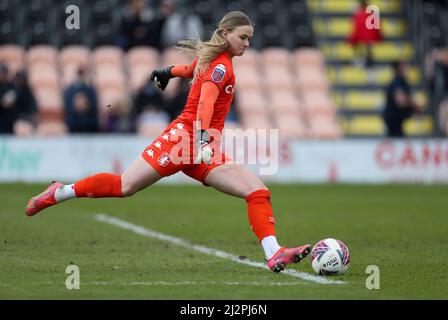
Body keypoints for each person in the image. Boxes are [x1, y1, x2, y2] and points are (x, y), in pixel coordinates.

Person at [25, 11, 311, 273]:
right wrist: (203, 142)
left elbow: (191, 70)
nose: (247, 44)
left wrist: (168, 71)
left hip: (199, 146)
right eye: (243, 37)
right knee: (125, 186)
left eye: (250, 38)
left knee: (257, 191)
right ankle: (60, 192)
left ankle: (274, 253)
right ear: (225, 34)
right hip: (185, 140)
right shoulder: (221, 67)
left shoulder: (213, 60)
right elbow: (205, 107)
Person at [382, 61, 421, 137]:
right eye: (404, 65)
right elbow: (400, 100)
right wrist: (414, 104)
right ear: (399, 68)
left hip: (397, 121)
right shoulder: (398, 82)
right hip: (394, 120)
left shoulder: (401, 81)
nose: (407, 67)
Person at [346, 0, 382, 68]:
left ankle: (361, 61)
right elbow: (377, 28)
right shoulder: (372, 13)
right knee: (367, 47)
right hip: (370, 39)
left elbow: (356, 29)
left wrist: (351, 39)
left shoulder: (359, 15)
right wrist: (378, 37)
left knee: (358, 47)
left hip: (362, 39)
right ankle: (369, 61)